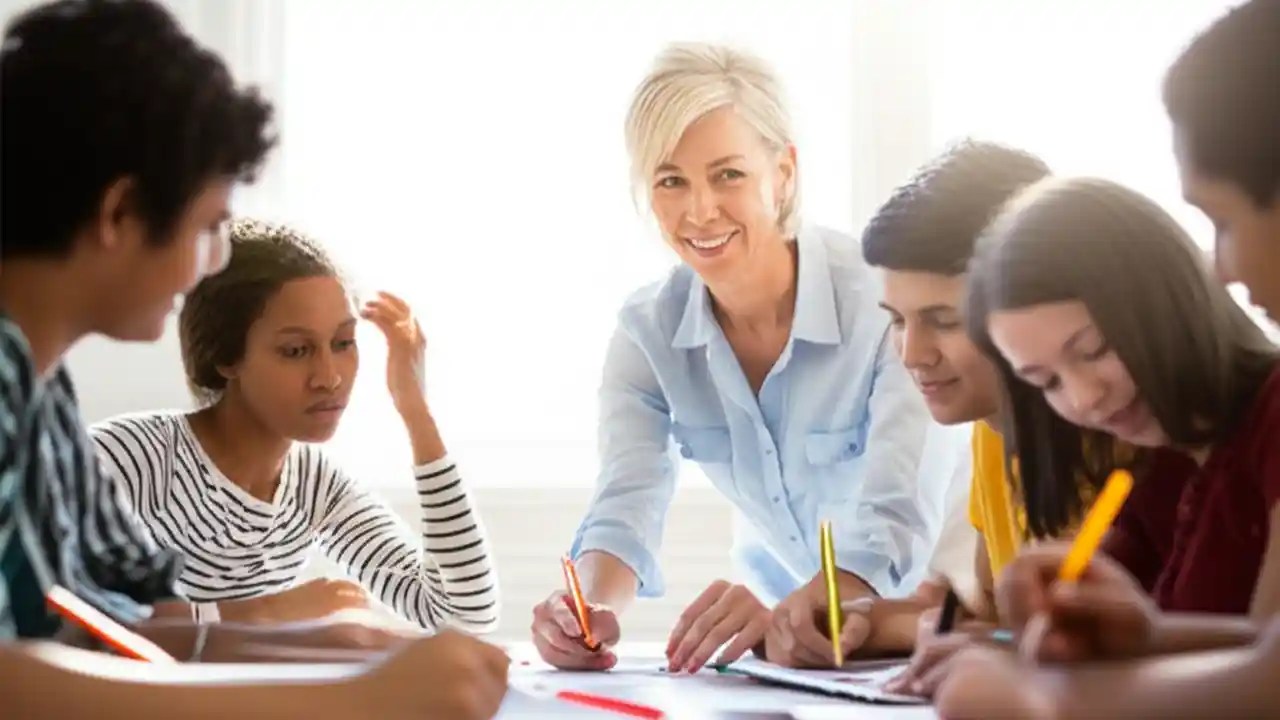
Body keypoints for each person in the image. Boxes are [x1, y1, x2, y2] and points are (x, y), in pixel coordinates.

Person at [0, 2, 506, 717]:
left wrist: (333, 647)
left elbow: (126, 624)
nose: (212, 263)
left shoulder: (42, 397)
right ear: (120, 215)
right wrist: (347, 699)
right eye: (209, 227)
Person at [530, 41, 945, 673]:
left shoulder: (885, 302)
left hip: (937, 627)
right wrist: (584, 610)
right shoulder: (648, 333)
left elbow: (893, 523)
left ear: (783, 175)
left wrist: (788, 617)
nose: (699, 211)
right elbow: (624, 505)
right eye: (671, 181)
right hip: (798, 653)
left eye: (728, 174)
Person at [937, 2, 1280, 716]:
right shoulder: (1157, 472)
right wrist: (1128, 639)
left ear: (1162, 293)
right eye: (1044, 382)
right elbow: (1258, 647)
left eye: (1092, 350)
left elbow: (1266, 672)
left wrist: (1043, 703)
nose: (1085, 399)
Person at [90, 219, 498, 632]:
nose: (329, 377)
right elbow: (72, 622)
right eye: (296, 350)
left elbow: (464, 616)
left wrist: (415, 410)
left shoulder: (316, 487)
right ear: (226, 356)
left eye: (343, 344)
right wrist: (265, 613)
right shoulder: (124, 459)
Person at [852, 141, 1126, 697]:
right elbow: (983, 617)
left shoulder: (1120, 436)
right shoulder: (992, 430)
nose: (912, 354)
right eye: (899, 321)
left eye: (943, 320)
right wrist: (863, 622)